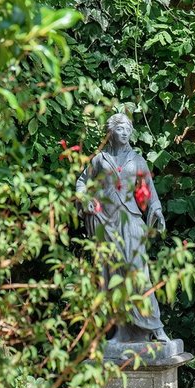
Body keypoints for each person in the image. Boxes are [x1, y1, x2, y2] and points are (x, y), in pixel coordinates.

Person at [76, 113, 169, 343]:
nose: (125, 133)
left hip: (131, 221)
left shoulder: (137, 160)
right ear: (111, 132)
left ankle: (155, 328)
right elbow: (81, 184)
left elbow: (147, 192)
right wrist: (85, 199)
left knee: (138, 274)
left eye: (128, 129)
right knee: (110, 276)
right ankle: (119, 332)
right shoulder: (99, 160)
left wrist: (155, 210)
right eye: (120, 129)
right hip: (105, 223)